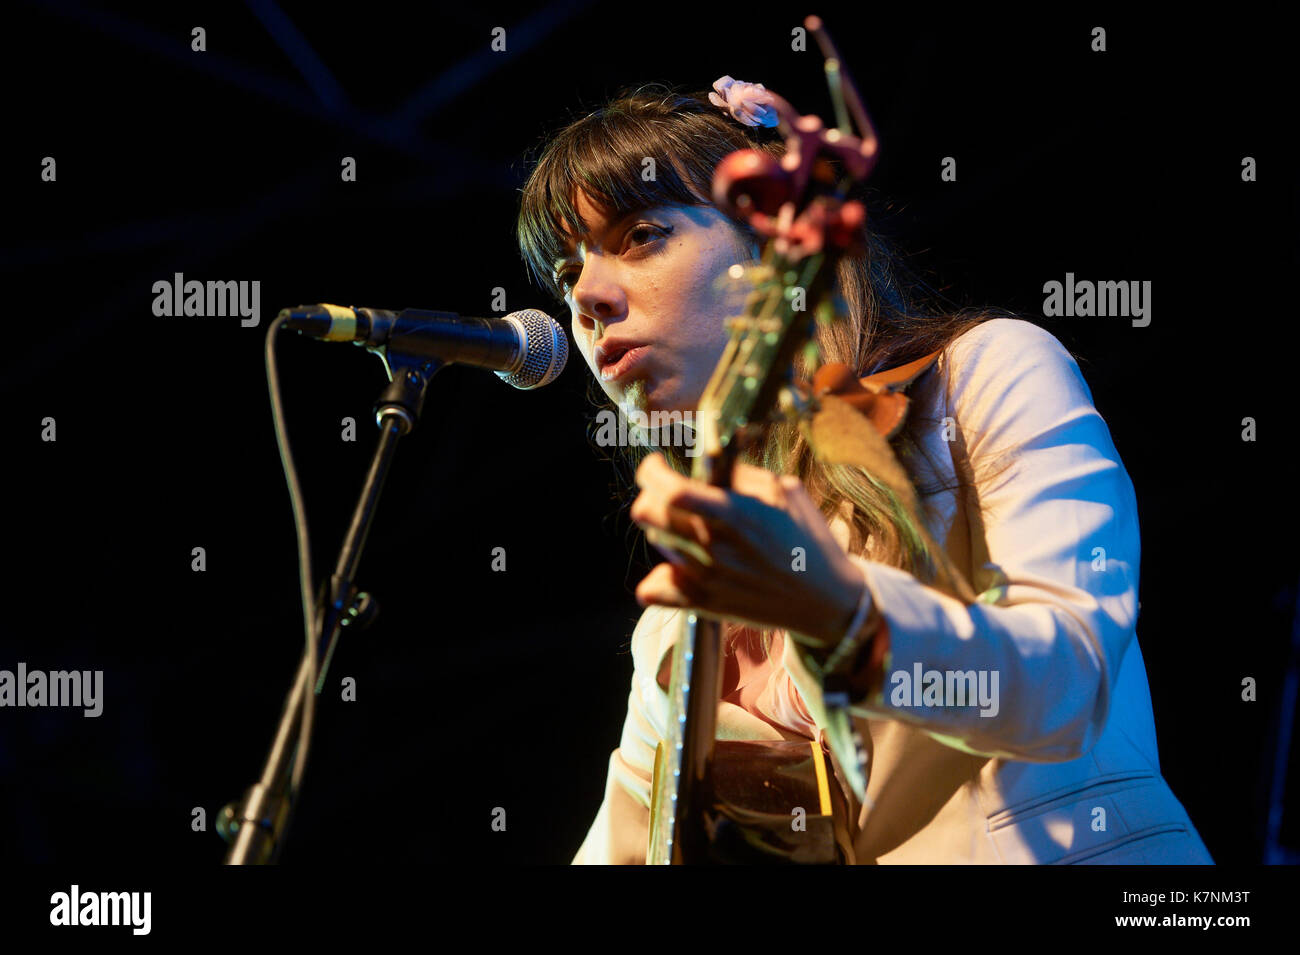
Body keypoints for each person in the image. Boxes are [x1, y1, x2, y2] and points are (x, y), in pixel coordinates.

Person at [515, 78, 1213, 864]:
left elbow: (1068, 679)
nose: (588, 297)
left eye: (641, 235)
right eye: (567, 271)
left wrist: (850, 618)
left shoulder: (984, 376)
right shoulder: (674, 629)